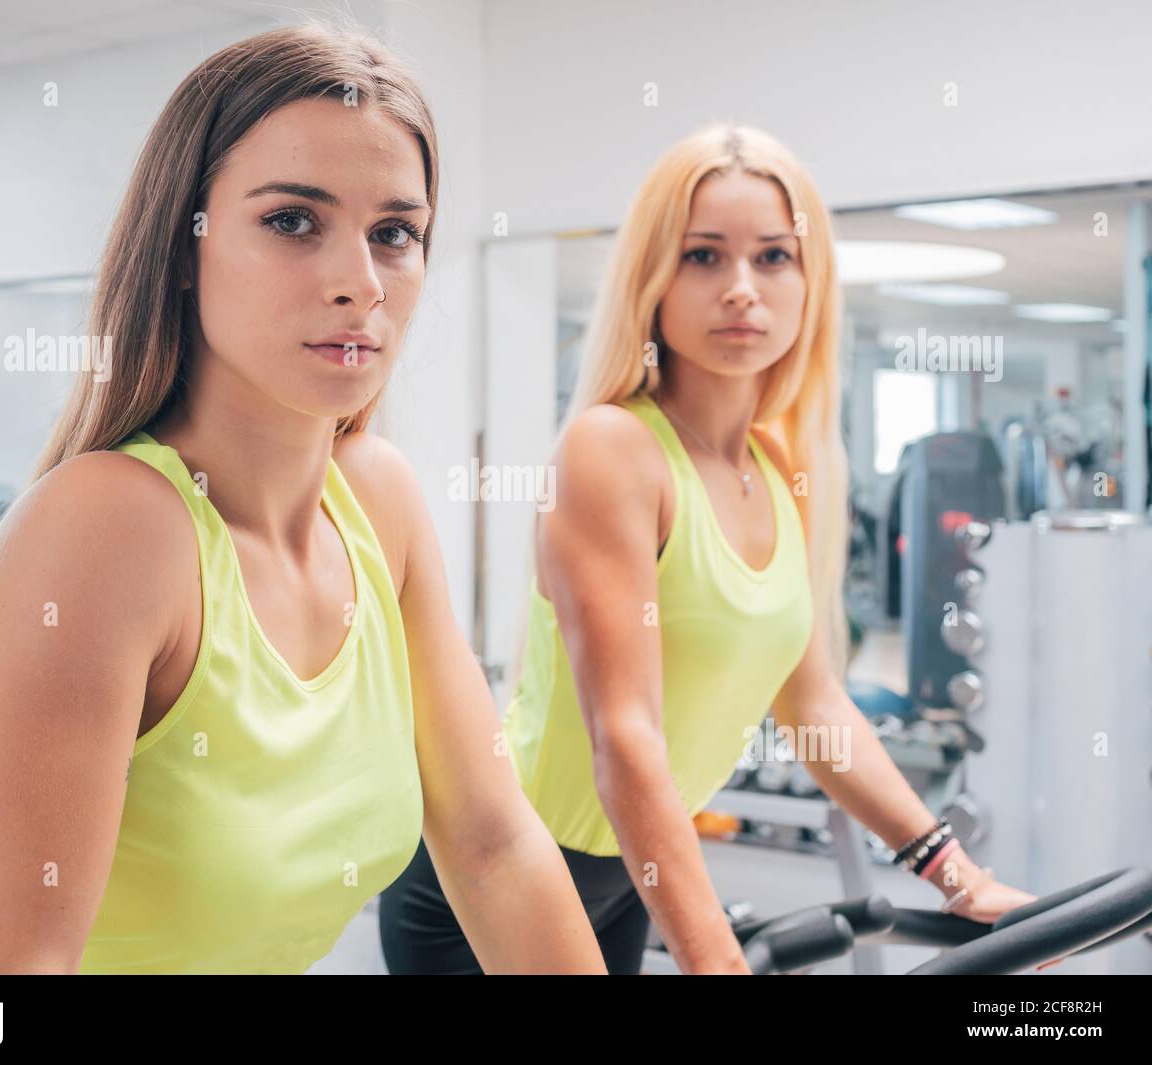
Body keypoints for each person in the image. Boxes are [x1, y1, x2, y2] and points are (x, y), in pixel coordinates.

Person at [0, 21, 605, 976]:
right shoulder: (108, 529)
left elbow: (495, 850)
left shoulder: (379, 503)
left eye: (394, 234)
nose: (359, 283)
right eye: (294, 220)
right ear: (181, 246)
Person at [380, 123, 1036, 975]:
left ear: (811, 281)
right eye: (703, 256)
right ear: (653, 278)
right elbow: (627, 736)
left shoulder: (780, 466)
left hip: (623, 872)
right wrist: (714, 958)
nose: (740, 288)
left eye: (772, 257)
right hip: (496, 875)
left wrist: (955, 873)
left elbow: (816, 708)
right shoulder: (612, 450)